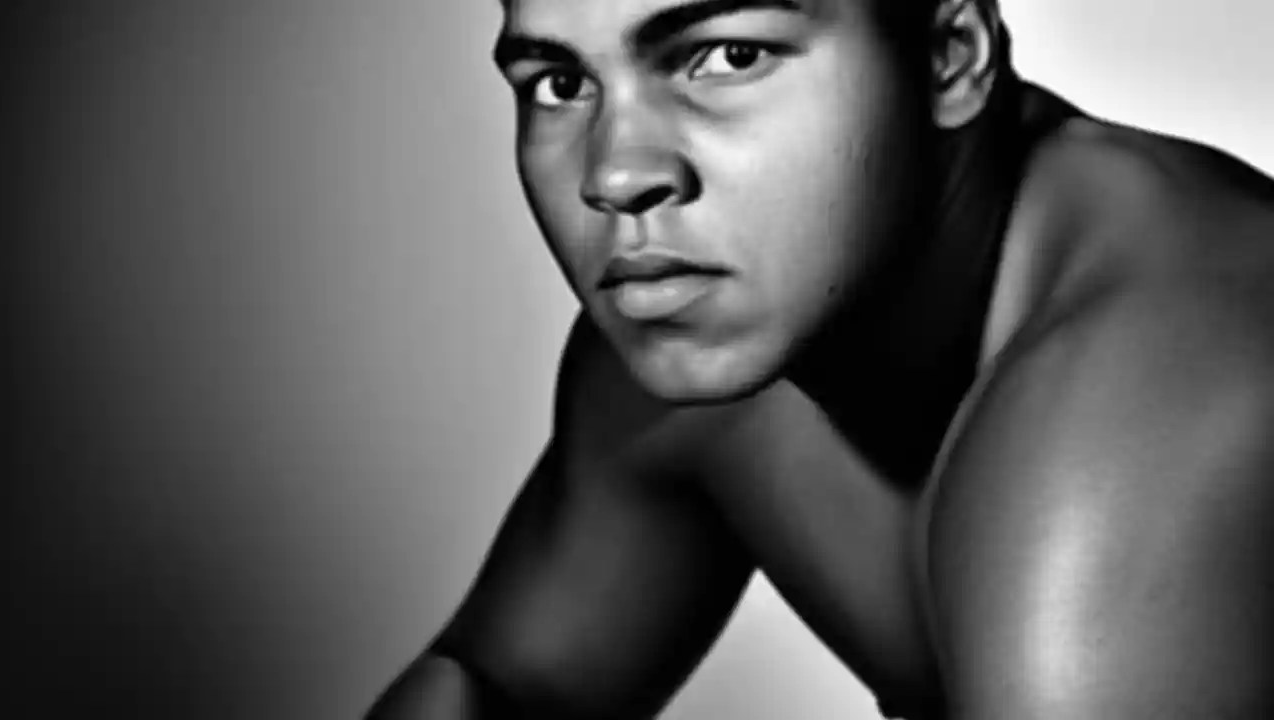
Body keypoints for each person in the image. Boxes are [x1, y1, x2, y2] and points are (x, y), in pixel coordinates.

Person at [368, 0, 1274, 717]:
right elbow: (498, 687)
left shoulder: (1163, 368)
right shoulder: (705, 335)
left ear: (949, 56)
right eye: (562, 82)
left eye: (727, 55)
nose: (614, 174)